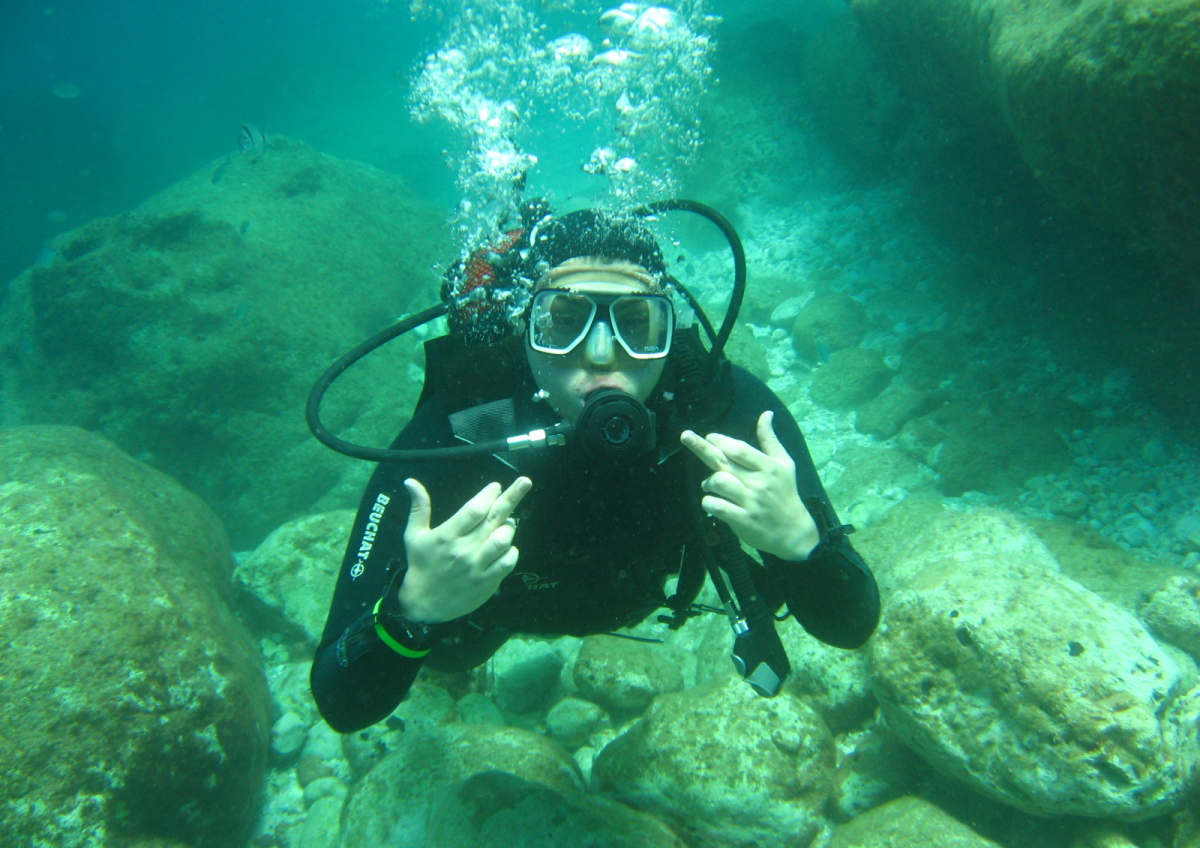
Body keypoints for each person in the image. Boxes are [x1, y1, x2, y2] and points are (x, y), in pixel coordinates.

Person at [310, 207, 879, 733]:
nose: (603, 354)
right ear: (524, 329)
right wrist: (413, 612)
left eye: (636, 323)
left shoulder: (720, 411)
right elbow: (340, 700)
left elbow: (852, 623)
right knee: (451, 659)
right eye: (564, 322)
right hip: (482, 619)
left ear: (667, 330)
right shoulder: (463, 425)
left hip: (638, 597)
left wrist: (802, 544)